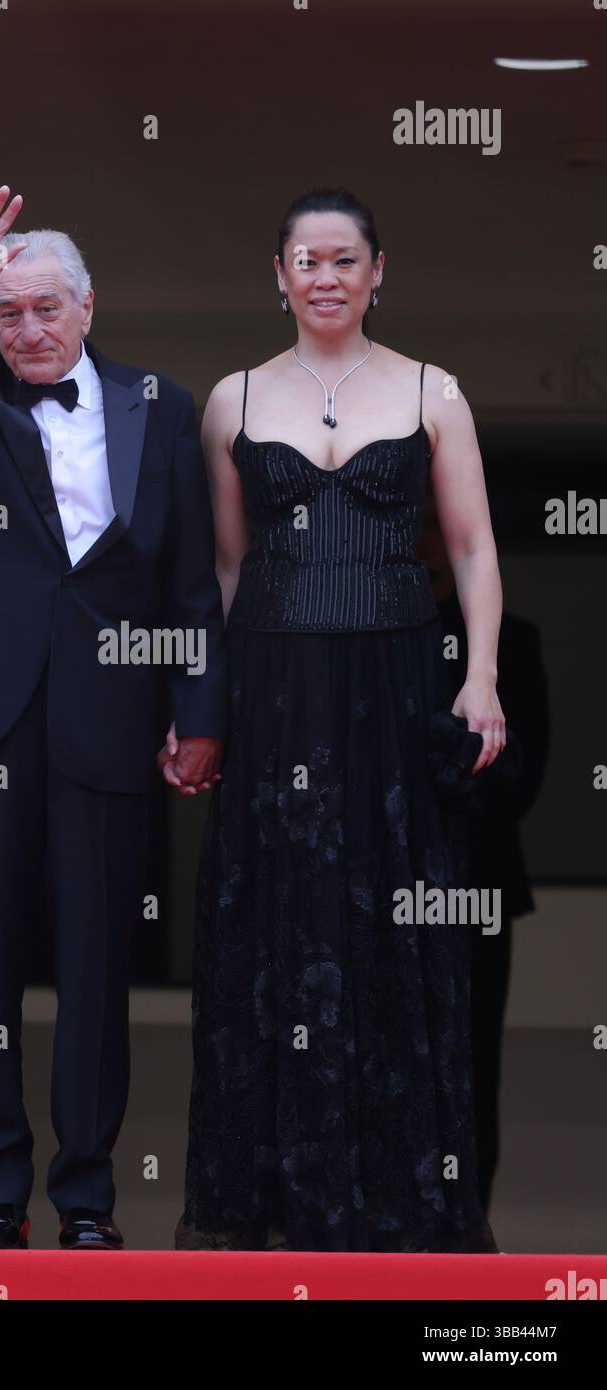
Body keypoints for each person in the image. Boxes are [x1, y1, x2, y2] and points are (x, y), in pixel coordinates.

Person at [0, 185, 227, 1251]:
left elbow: (191, 583)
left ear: (87, 307)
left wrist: (198, 709)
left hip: (110, 711)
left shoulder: (163, 405)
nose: (24, 330)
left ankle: (86, 1198)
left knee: (96, 962)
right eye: (7, 312)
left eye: (43, 309)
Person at [169, 186, 504, 1252]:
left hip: (397, 688)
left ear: (377, 271)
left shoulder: (431, 390)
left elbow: (473, 549)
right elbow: (226, 565)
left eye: (344, 258)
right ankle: (266, 1205)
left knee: (392, 925)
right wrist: (205, 702)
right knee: (272, 922)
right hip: (271, 690)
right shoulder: (230, 400)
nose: (325, 274)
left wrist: (481, 675)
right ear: (278, 275)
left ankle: (404, 1205)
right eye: (306, 258)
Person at [418, 494, 550, 1212]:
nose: (427, 541)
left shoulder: (516, 644)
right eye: (416, 524)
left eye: (441, 526)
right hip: (388, 880)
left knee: (472, 1060)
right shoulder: (382, 636)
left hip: (479, 885)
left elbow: (521, 775)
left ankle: (469, 1221)